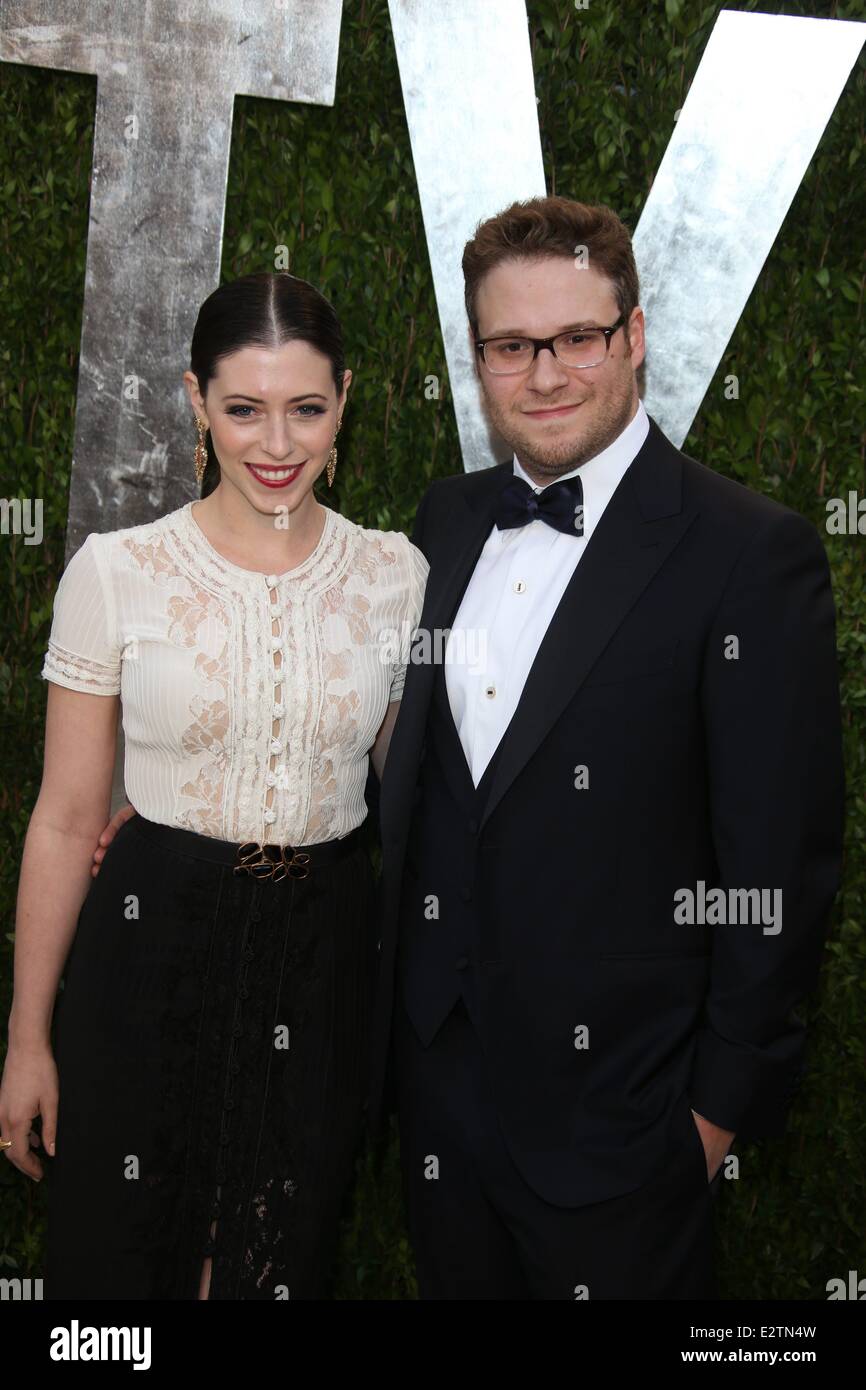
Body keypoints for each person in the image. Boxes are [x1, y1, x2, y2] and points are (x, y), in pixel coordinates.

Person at [366, 197, 845, 1299]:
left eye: (576, 337)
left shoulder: (748, 553)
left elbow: (777, 871)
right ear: (477, 357)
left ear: (632, 337)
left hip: (626, 1128)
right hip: (440, 1101)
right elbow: (407, 772)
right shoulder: (443, 520)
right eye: (510, 346)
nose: (543, 374)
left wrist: (707, 1123)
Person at [0, 271, 428, 1300]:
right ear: (196, 401)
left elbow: (414, 806)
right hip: (147, 951)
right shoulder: (116, 572)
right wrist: (26, 1038)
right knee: (120, 1259)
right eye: (242, 410)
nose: (275, 445)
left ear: (345, 402)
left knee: (273, 1263)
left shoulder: (398, 575)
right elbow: (64, 821)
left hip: (321, 962)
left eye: (305, 409)